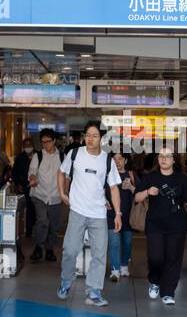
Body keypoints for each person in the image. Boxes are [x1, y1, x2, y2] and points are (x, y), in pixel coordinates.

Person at [57, 121, 122, 307]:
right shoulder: (74, 154)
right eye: (87, 135)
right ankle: (66, 281)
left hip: (99, 214)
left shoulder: (107, 160)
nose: (90, 139)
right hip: (77, 210)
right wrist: (62, 193)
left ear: (101, 139)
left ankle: (94, 291)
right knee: (69, 250)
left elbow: (114, 188)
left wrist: (118, 213)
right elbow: (61, 172)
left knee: (100, 254)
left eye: (94, 136)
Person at [135, 147, 187, 304]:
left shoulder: (181, 178)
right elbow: (137, 197)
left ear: (173, 160)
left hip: (177, 224)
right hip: (154, 224)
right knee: (155, 257)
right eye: (161, 156)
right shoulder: (150, 177)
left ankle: (168, 292)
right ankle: (155, 280)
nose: (164, 159)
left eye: (167, 156)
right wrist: (147, 192)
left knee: (173, 259)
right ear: (158, 159)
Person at [28, 129, 64, 262]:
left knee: (54, 225)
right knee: (42, 221)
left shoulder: (62, 156)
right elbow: (32, 171)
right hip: (39, 194)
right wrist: (32, 178)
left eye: (48, 142)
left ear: (54, 141)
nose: (45, 145)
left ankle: (49, 249)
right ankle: (38, 247)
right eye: (43, 142)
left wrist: (65, 193)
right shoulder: (38, 155)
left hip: (55, 196)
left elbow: (66, 175)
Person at [108, 152, 138, 282]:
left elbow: (141, 195)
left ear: (126, 160)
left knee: (127, 243)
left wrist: (131, 187)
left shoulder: (131, 175)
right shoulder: (107, 175)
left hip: (128, 216)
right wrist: (104, 200)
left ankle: (124, 265)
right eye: (114, 159)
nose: (117, 161)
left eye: (120, 159)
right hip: (111, 215)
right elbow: (97, 190)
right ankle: (115, 269)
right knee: (114, 243)